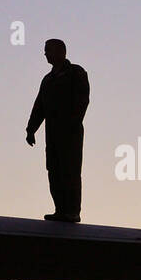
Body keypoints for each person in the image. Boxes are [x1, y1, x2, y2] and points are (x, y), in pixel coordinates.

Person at [25, 38, 88, 222]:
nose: (45, 54)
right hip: (52, 134)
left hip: (70, 133)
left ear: (61, 51)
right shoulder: (48, 80)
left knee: (70, 171)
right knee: (53, 170)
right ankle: (60, 209)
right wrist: (31, 129)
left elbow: (82, 100)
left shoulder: (76, 73)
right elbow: (39, 107)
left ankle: (72, 211)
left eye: (48, 50)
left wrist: (72, 123)